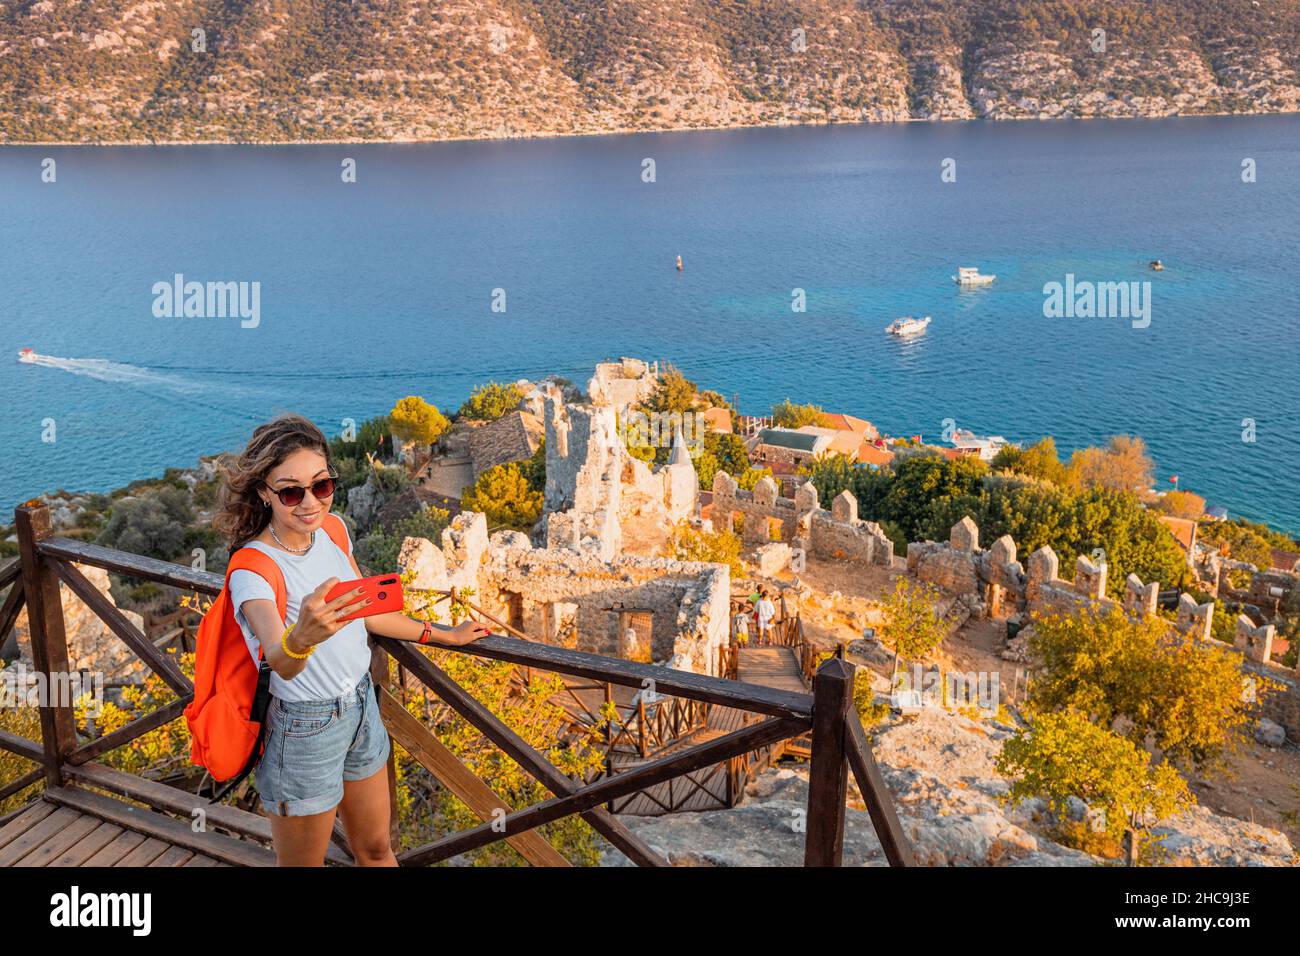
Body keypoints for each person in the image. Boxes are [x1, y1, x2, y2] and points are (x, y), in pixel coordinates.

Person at [213, 414, 490, 866]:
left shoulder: (335, 531)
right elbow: (282, 660)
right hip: (304, 729)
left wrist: (444, 634)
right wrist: (304, 634)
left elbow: (371, 614)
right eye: (290, 491)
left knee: (377, 849)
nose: (309, 503)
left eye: (321, 485)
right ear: (264, 492)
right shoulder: (252, 569)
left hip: (362, 706)